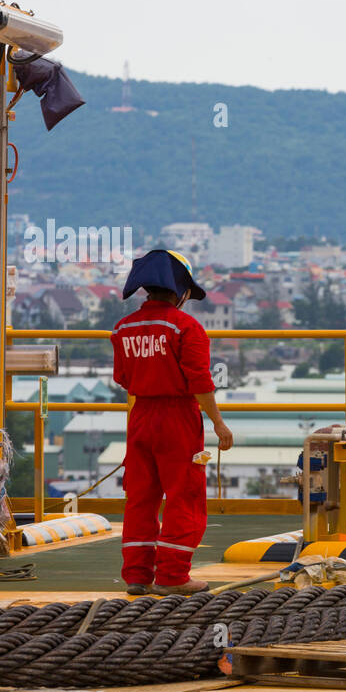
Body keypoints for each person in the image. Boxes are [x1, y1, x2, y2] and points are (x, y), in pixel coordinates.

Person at [111, 249, 234, 595]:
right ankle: (173, 576)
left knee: (140, 496)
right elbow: (200, 382)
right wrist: (218, 424)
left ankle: (137, 575)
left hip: (139, 417)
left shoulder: (123, 328)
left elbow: (122, 377)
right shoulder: (185, 327)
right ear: (180, 292)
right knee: (185, 496)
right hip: (178, 419)